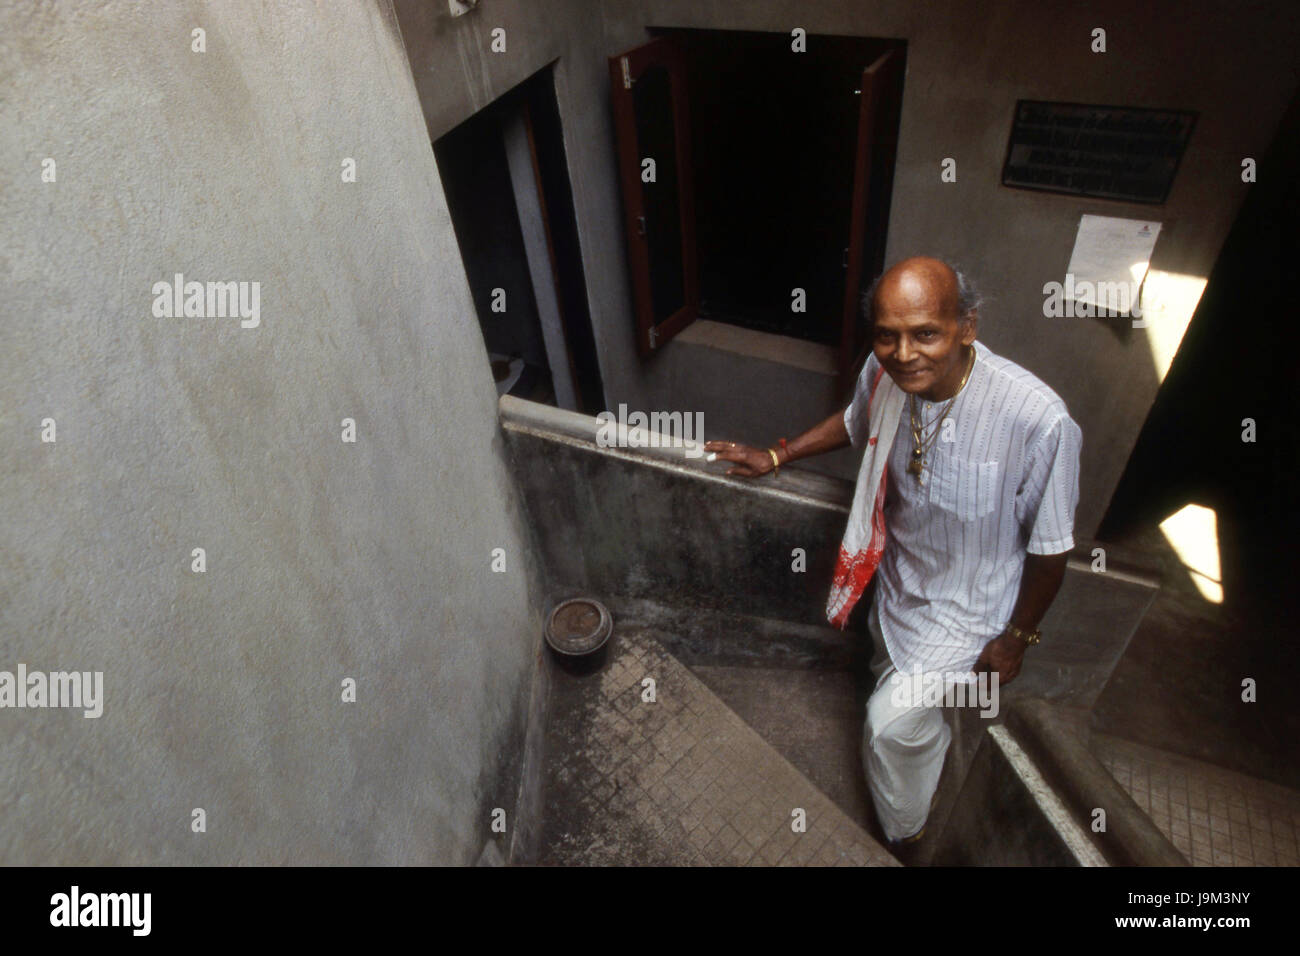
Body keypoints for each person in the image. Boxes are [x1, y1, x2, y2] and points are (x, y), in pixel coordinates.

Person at [704, 256, 1081, 857]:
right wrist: (777, 456)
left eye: (925, 333)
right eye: (887, 335)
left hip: (970, 611)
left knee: (887, 722)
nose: (904, 353)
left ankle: (907, 832)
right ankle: (926, 742)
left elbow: (1051, 550)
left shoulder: (1036, 420)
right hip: (896, 583)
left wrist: (1015, 639)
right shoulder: (884, 377)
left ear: (967, 327)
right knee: (898, 694)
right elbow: (856, 422)